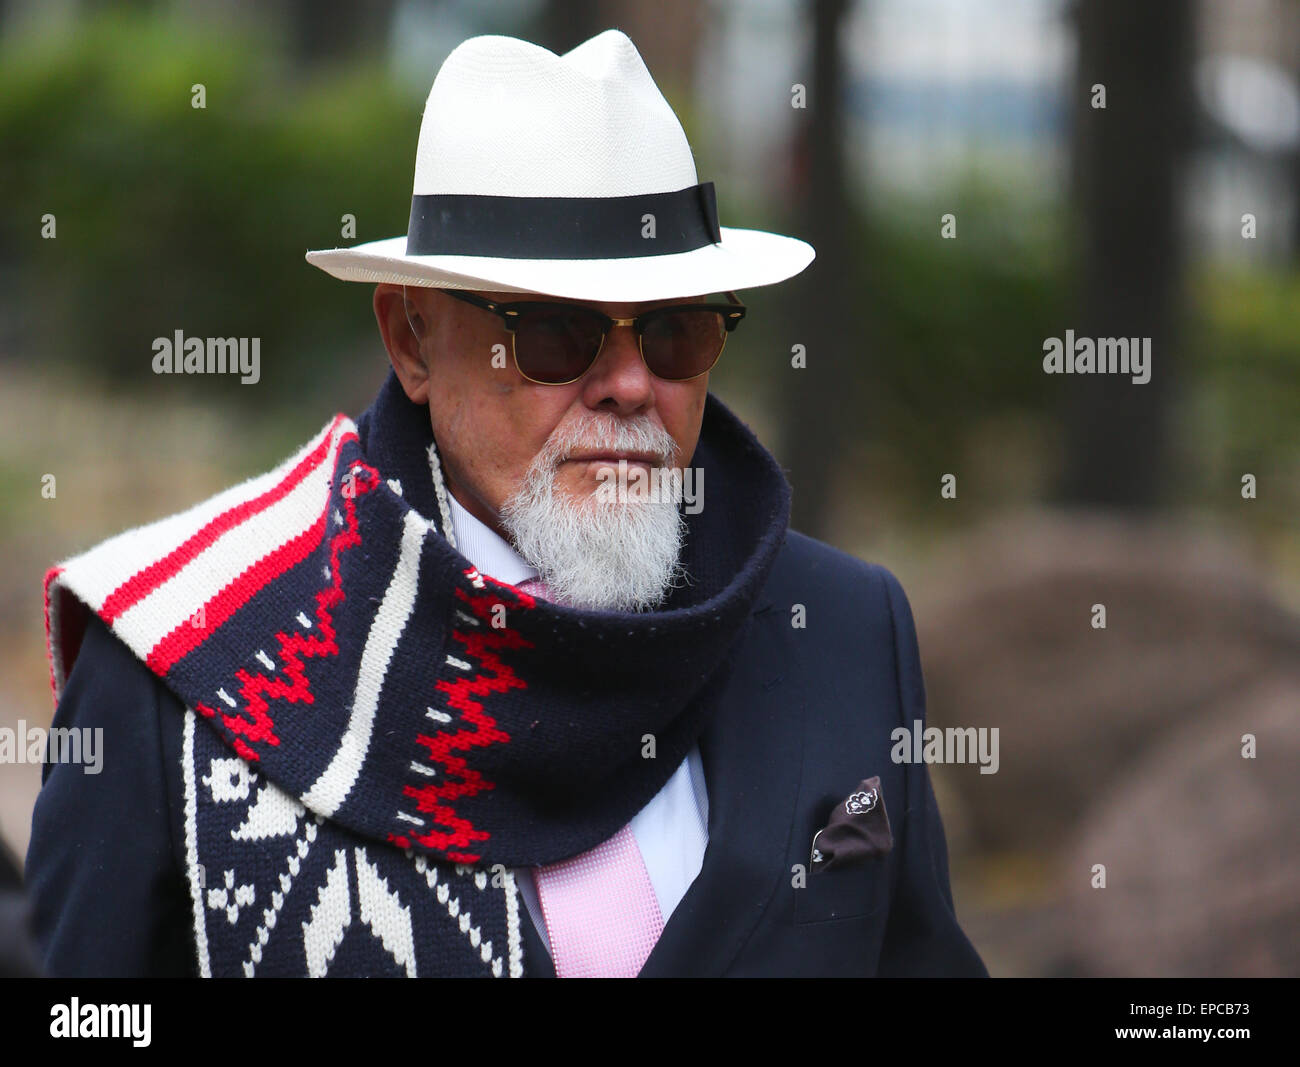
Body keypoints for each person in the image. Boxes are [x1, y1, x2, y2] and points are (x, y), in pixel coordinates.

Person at [27, 29, 986, 978]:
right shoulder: (180, 659)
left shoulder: (845, 632)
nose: (628, 384)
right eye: (559, 334)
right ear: (412, 339)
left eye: (676, 332)